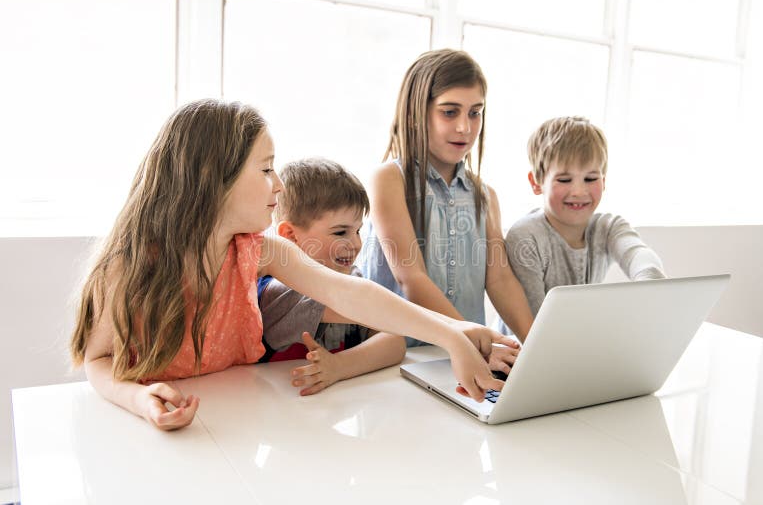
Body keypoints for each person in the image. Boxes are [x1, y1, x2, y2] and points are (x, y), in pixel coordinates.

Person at [69, 99, 517, 431]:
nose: (279, 184)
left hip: (239, 421)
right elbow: (97, 360)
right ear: (213, 180)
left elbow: (350, 293)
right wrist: (139, 399)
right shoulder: (127, 264)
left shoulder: (258, 251)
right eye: (266, 170)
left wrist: (455, 334)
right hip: (155, 432)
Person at [360, 49, 532, 373]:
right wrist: (473, 342)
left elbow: (501, 280)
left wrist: (537, 346)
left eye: (475, 113)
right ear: (415, 114)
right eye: (450, 112)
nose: (465, 127)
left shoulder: (485, 196)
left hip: (470, 360)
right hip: (399, 360)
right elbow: (411, 278)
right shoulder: (389, 181)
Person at [500, 116, 666, 340]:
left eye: (590, 178)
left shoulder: (608, 227)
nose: (578, 191)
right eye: (564, 180)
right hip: (520, 347)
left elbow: (638, 254)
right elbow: (535, 324)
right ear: (536, 182)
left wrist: (650, 285)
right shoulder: (526, 236)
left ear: (604, 181)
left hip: (573, 342)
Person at [259, 158, 406, 395]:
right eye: (340, 232)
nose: (356, 243)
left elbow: (395, 340)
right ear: (290, 236)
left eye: (358, 231)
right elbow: (389, 319)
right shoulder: (281, 292)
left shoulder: (352, 276)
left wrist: (339, 366)